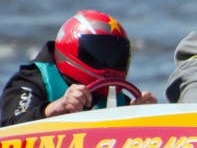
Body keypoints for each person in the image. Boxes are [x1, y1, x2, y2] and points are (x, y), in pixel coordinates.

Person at [1, 10, 157, 126]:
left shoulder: (121, 100)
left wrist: (144, 116)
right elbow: (9, 128)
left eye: (115, 54)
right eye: (101, 52)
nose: (109, 62)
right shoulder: (31, 80)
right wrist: (55, 109)